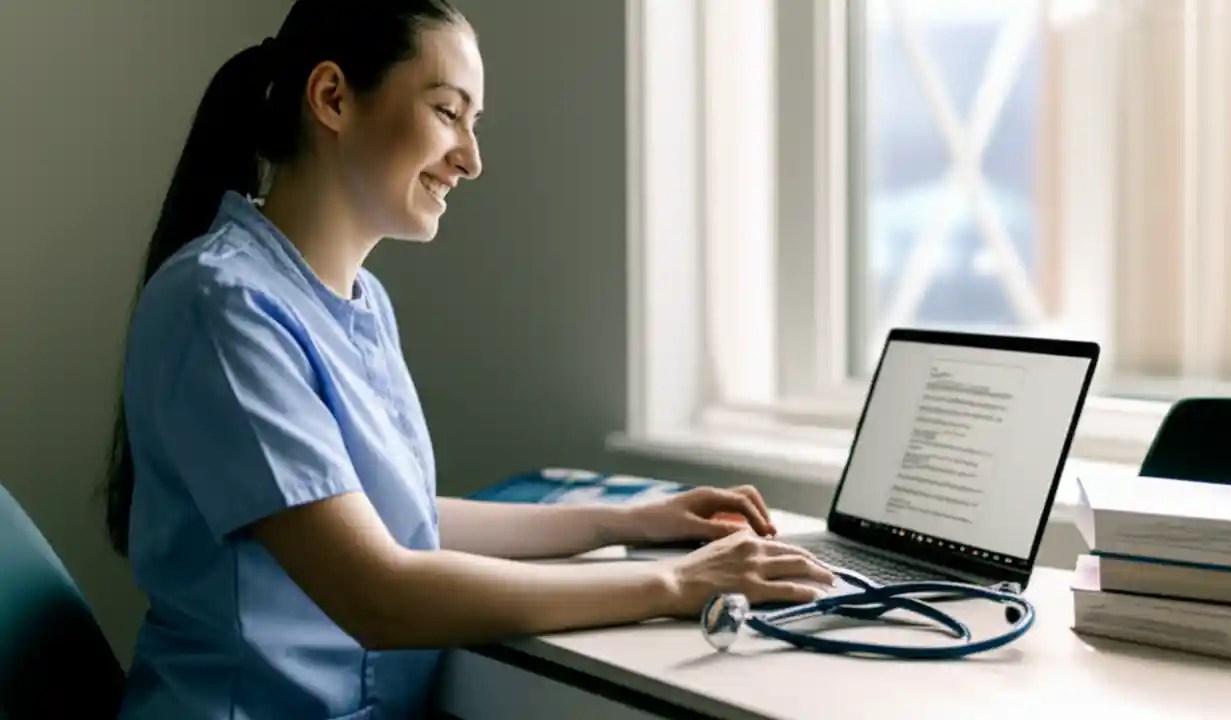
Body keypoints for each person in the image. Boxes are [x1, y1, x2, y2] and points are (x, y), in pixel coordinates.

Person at [103, 1, 835, 717]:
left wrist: (629, 523)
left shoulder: (360, 301)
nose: (471, 159)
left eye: (472, 123)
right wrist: (676, 585)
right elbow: (377, 593)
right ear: (332, 98)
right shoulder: (223, 303)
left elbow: (402, 522)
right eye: (448, 112)